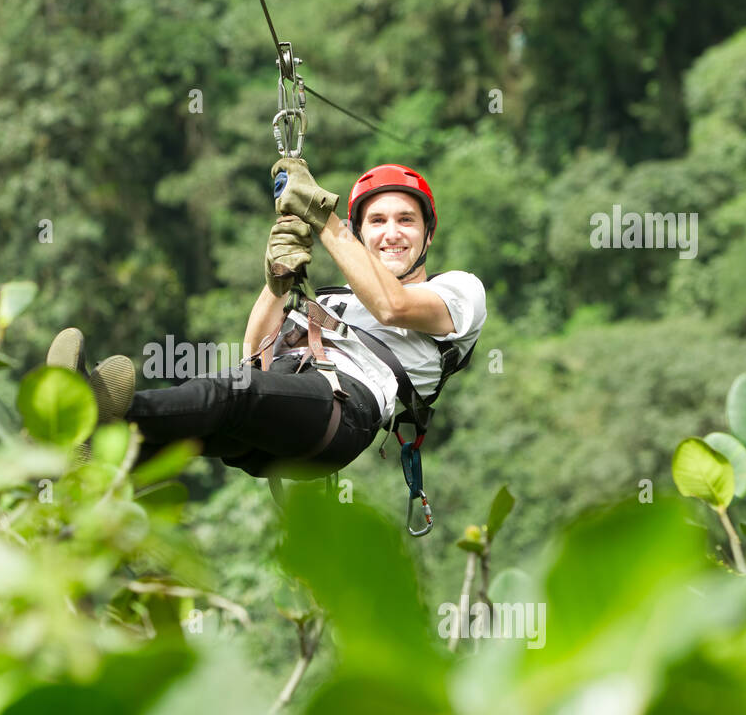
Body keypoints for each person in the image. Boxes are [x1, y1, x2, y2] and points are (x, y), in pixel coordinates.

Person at [48, 159, 487, 478]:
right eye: (378, 221)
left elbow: (394, 307)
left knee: (230, 393)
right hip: (288, 407)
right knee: (206, 422)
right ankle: (77, 462)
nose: (392, 233)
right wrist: (278, 279)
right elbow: (256, 358)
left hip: (344, 412)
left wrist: (322, 218)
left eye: (406, 220)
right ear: (361, 234)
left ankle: (90, 415)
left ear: (428, 234)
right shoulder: (334, 299)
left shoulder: (458, 292)